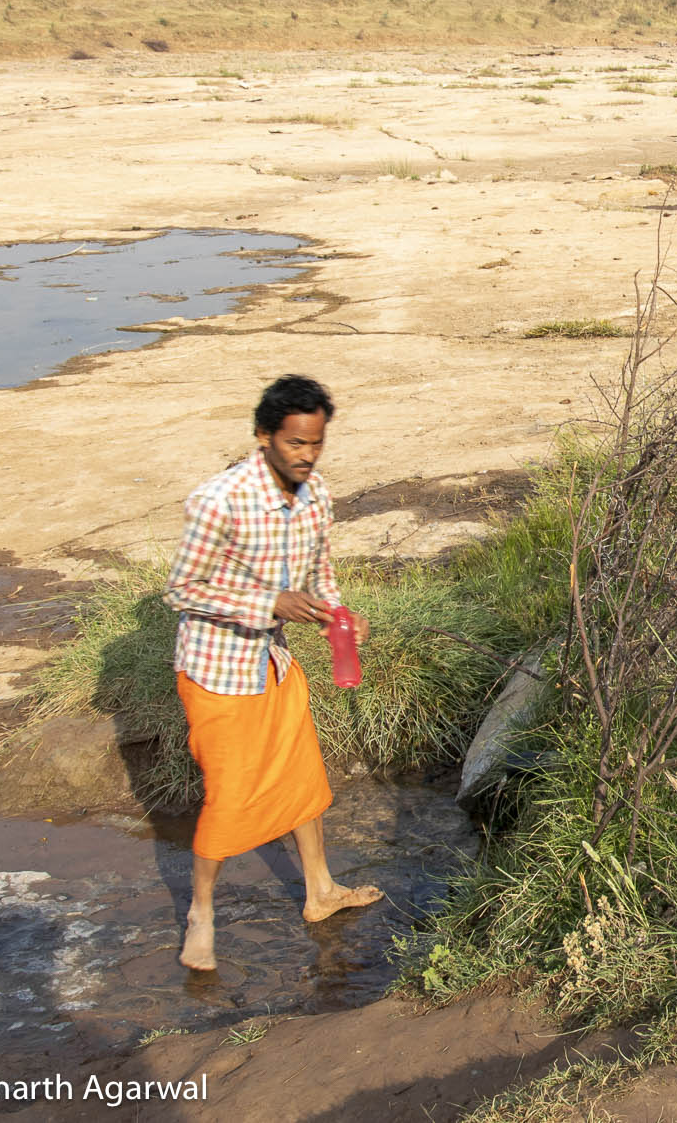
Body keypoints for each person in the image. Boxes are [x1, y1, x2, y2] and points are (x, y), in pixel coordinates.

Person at [162, 373, 381, 971]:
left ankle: (320, 891)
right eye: (295, 445)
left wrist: (337, 616)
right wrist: (268, 605)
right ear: (264, 437)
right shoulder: (220, 500)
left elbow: (321, 576)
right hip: (217, 670)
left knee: (300, 774)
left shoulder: (317, 498)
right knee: (231, 797)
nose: (307, 457)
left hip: (273, 662)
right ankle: (200, 916)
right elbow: (181, 589)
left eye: (316, 444)